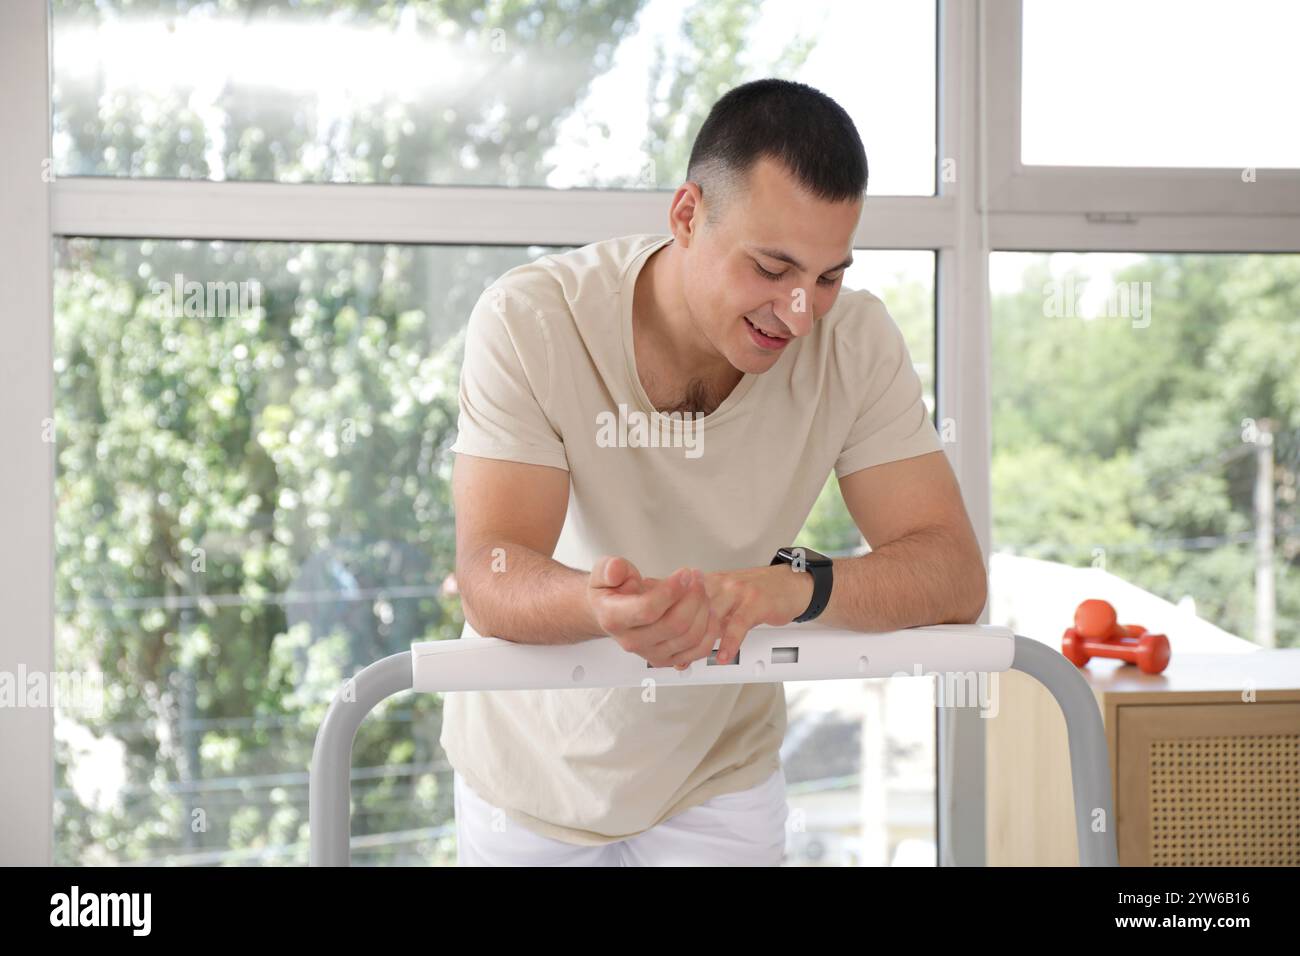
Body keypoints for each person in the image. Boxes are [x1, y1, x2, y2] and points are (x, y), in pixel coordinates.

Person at [442, 77, 987, 866]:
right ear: (688, 215)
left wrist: (790, 586)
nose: (800, 313)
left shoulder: (857, 342)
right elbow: (490, 572)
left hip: (718, 769)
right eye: (772, 268)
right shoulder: (531, 320)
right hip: (530, 769)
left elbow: (953, 573)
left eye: (828, 277)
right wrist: (604, 608)